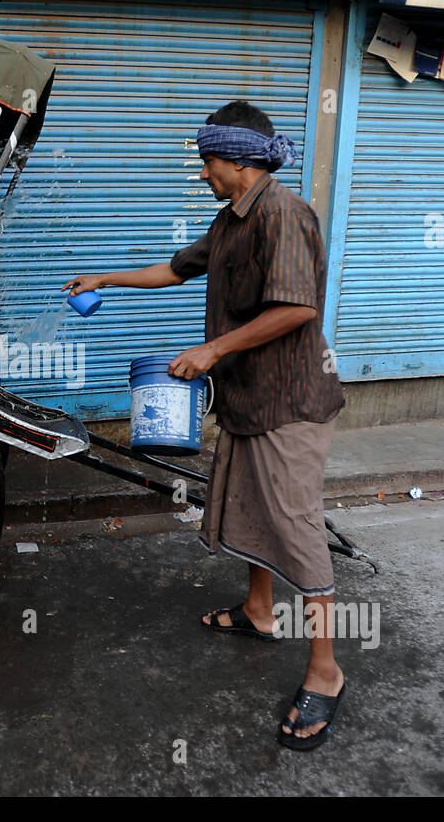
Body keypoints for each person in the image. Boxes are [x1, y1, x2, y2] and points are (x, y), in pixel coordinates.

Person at [63, 100, 347, 751]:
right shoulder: (228, 223)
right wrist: (106, 276)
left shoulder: (285, 215)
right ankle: (257, 609)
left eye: (207, 162)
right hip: (247, 400)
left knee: (295, 526)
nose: (202, 174)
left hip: (292, 404)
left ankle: (326, 672)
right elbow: (174, 269)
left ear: (238, 161)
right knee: (247, 507)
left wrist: (214, 350)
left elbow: (298, 307)